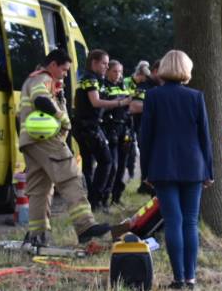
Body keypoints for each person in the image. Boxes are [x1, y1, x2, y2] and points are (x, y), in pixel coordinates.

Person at [17, 48, 111, 247]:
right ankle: (85, 226)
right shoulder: (43, 79)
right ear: (52, 65)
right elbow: (41, 100)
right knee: (71, 177)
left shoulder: (31, 79)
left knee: (39, 190)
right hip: (46, 139)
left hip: (30, 142)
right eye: (65, 70)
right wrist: (60, 116)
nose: (66, 74)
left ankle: (38, 235)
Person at [138, 49, 214, 289]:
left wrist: (145, 171)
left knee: (173, 222)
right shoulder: (196, 97)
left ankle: (178, 278)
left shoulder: (153, 97)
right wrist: (209, 171)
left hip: (162, 166)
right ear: (187, 69)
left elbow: (145, 137)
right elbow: (205, 138)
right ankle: (191, 277)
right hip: (194, 166)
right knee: (190, 222)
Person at [72, 49, 131, 210]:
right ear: (94, 63)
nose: (106, 66)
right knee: (107, 162)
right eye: (104, 63)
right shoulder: (91, 79)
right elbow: (96, 102)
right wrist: (121, 103)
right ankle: (95, 200)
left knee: (89, 165)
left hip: (84, 126)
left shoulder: (94, 78)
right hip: (89, 127)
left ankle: (92, 200)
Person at [100, 60, 134, 206]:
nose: (118, 75)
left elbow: (129, 108)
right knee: (112, 165)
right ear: (108, 71)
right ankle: (104, 198)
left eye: (120, 72)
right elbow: (102, 106)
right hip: (110, 128)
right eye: (115, 71)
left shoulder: (123, 86)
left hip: (124, 129)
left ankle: (116, 197)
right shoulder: (103, 87)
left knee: (122, 165)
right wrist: (120, 101)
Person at [131, 60, 157, 195]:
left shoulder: (158, 85)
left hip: (154, 129)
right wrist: (156, 106)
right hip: (143, 127)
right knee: (147, 158)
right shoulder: (143, 85)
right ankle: (145, 184)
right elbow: (134, 106)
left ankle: (146, 185)